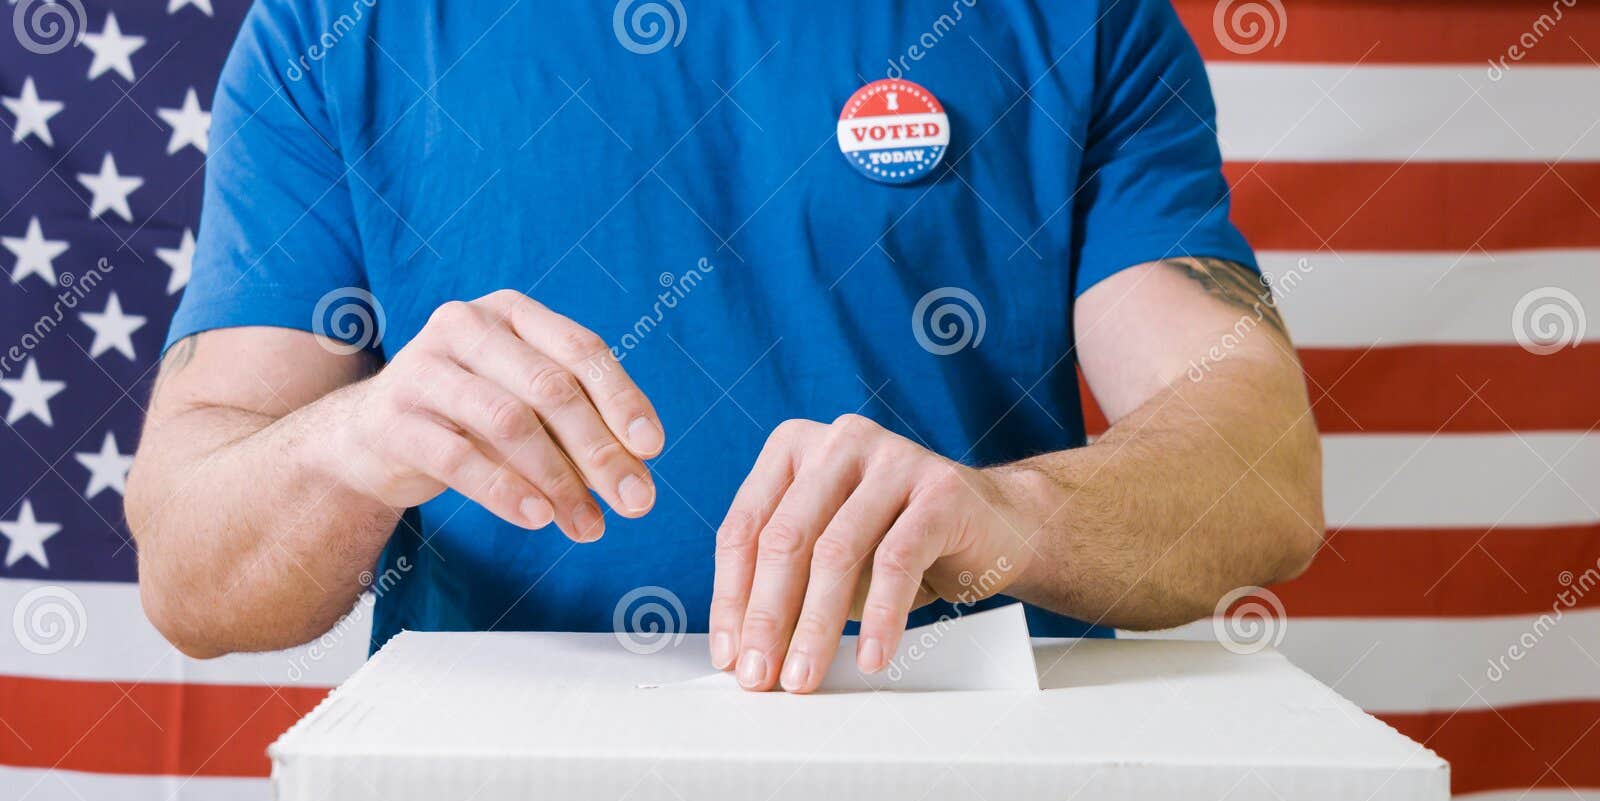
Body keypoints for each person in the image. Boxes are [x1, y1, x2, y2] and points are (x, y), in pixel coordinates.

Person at [126, 0, 1323, 693]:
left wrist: (1005, 518)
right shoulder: (335, 29)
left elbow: (1261, 469)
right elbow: (191, 579)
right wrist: (350, 441)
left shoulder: (1076, 16)